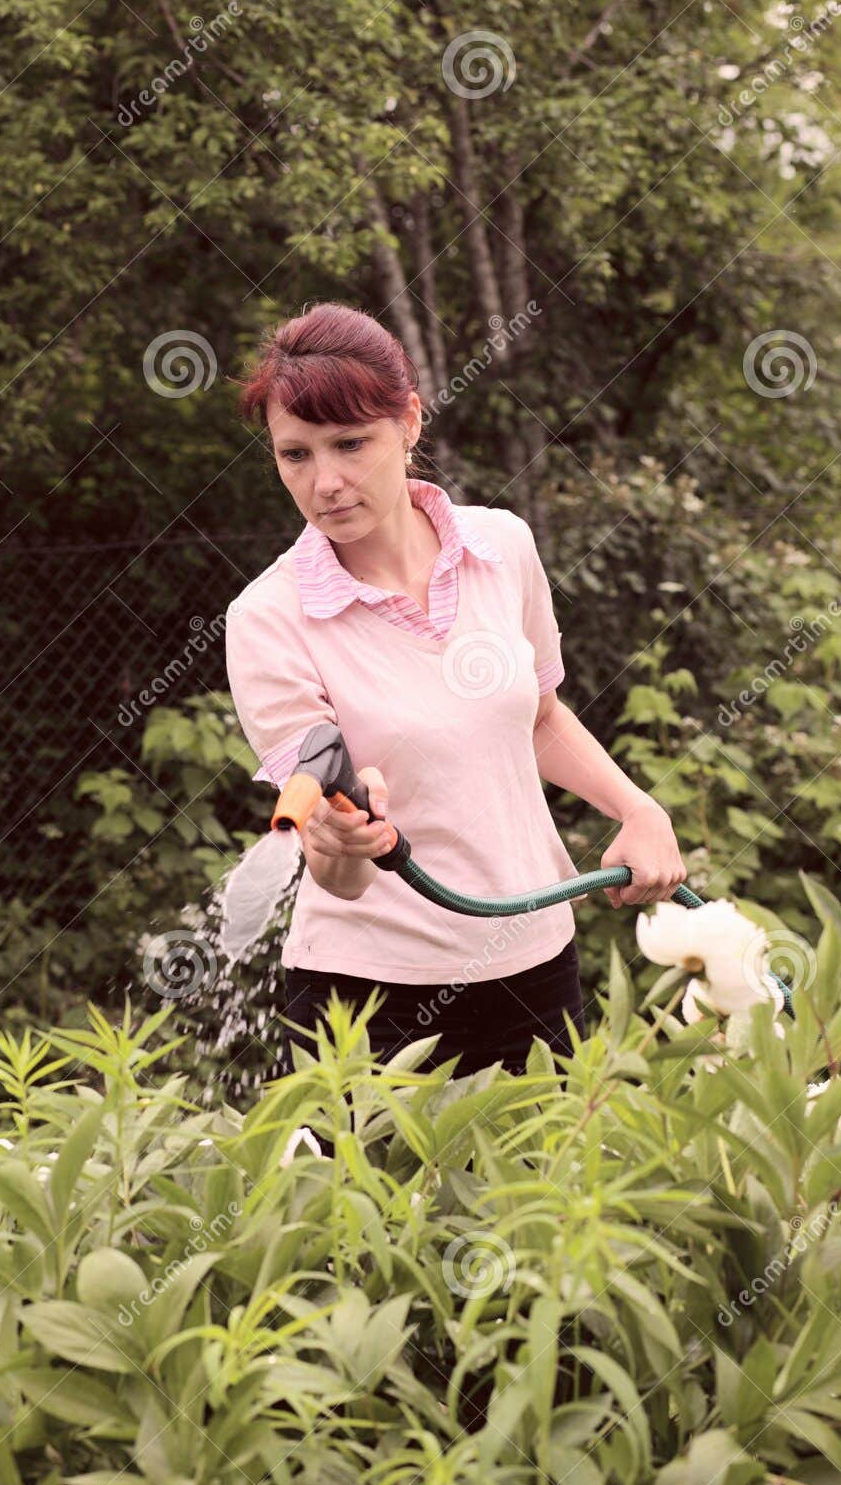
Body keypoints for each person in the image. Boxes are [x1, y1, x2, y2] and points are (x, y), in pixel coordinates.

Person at [224, 301, 687, 1083]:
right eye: (294, 455)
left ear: (407, 422)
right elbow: (332, 861)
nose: (325, 483)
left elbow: (537, 716)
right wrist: (344, 844)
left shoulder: (499, 547)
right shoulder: (268, 619)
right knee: (370, 1209)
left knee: (558, 1202)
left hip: (536, 963)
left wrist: (639, 811)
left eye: (349, 444)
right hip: (365, 999)